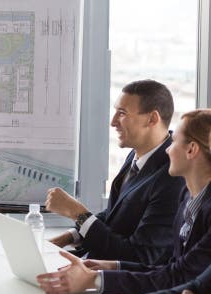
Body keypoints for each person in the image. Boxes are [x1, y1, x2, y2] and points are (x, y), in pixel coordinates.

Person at [37, 109, 211, 294]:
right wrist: (110, 266)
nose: (169, 148)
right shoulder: (186, 195)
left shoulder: (173, 185)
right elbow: (170, 266)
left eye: (175, 140)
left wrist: (96, 279)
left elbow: (176, 274)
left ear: (192, 149)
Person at [46, 80, 184, 264]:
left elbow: (139, 256)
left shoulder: (173, 176)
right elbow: (116, 215)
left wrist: (77, 213)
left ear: (152, 119)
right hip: (92, 263)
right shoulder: (137, 154)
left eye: (122, 113)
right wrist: (70, 237)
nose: (113, 122)